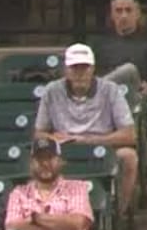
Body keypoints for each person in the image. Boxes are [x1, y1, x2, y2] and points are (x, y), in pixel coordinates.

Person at [35, 43, 137, 215]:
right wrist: (53, 139)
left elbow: (129, 134)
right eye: (75, 67)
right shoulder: (52, 91)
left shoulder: (110, 91)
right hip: (65, 151)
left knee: (129, 156)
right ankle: (47, 212)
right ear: (66, 70)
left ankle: (118, 215)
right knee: (37, 160)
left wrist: (89, 141)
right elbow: (39, 134)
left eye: (84, 67)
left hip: (103, 149)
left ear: (92, 69)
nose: (80, 73)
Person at [92, 0, 147, 101]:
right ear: (112, 15)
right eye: (118, 11)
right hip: (107, 97)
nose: (124, 16)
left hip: (138, 96)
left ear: (138, 14)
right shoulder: (99, 43)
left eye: (128, 10)